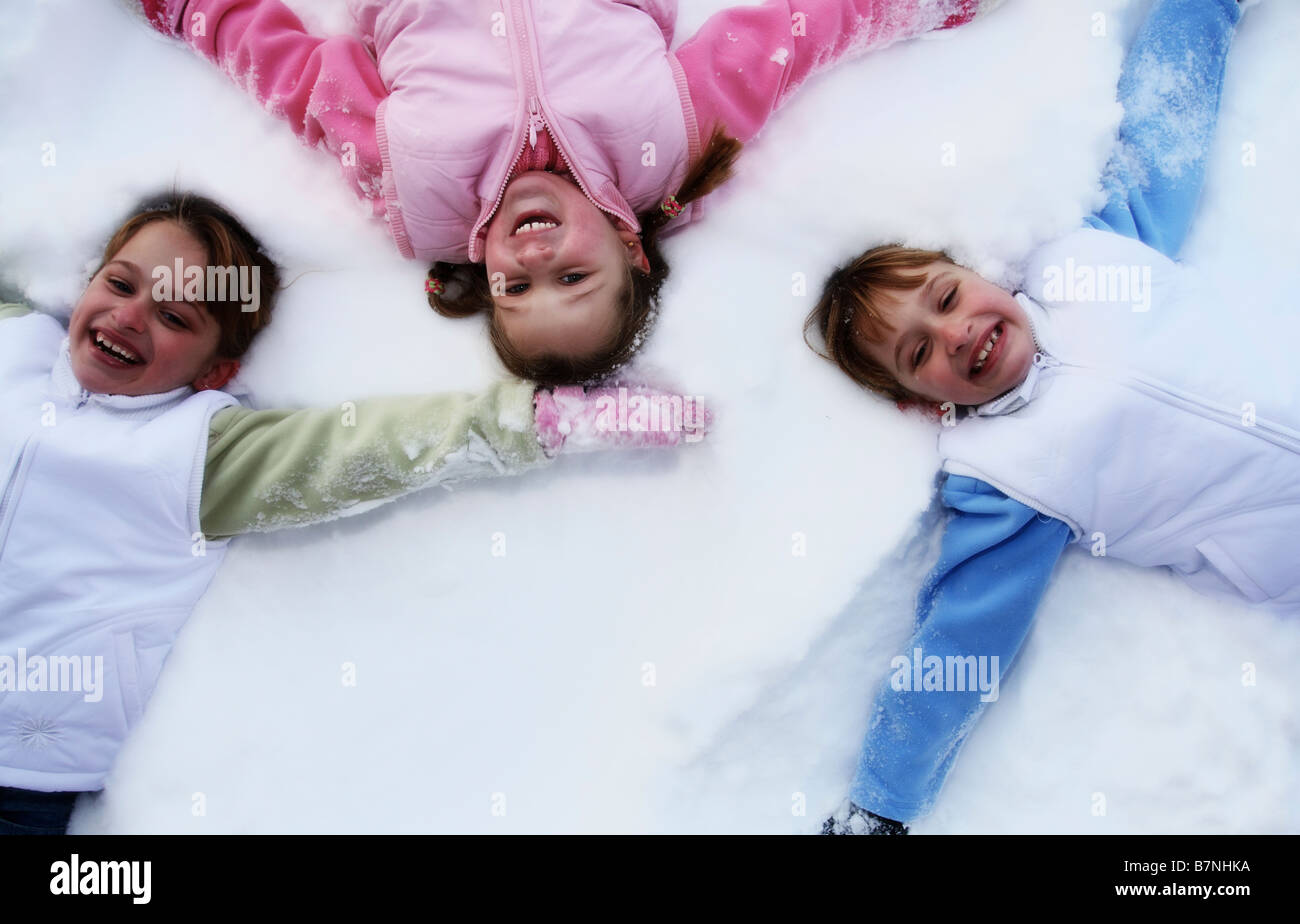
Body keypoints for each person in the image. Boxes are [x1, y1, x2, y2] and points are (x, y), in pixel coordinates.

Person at [0, 191, 705, 834]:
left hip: (22, 762)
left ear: (216, 372)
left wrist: (548, 420)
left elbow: (356, 446)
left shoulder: (190, 453)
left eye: (175, 316)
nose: (128, 316)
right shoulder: (14, 343)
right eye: (120, 284)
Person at [804, 0, 1272, 833]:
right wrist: (881, 804)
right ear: (924, 400)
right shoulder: (1007, 477)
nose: (955, 334)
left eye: (947, 298)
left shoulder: (1091, 259)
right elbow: (961, 643)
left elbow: (1166, 125)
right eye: (919, 353)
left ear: (976, 272)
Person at [129, 0, 1007, 383]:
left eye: (514, 288)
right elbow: (796, 31)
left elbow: (294, 77)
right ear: (630, 249)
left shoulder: (415, 196)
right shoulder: (671, 147)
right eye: (572, 278)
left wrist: (187, 5)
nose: (535, 257)